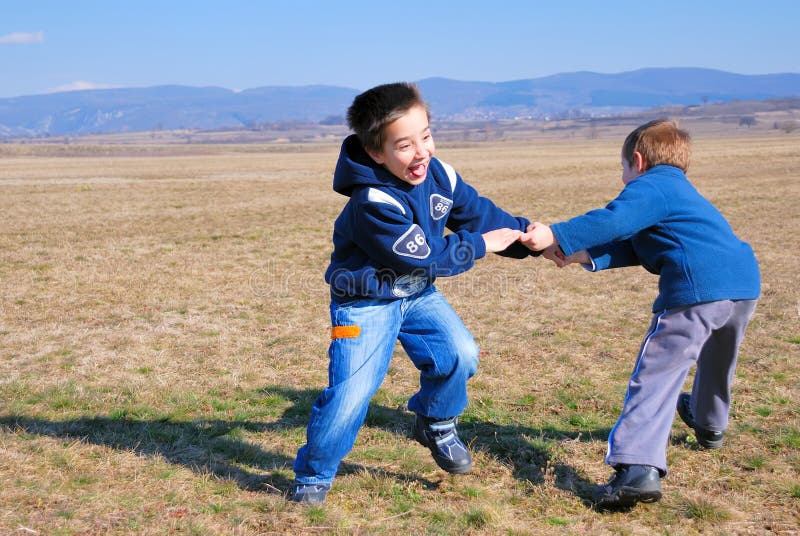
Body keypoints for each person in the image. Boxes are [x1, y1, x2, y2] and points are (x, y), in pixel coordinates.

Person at [290, 82, 535, 504]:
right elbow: (422, 257)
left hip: (417, 296)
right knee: (350, 395)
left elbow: (482, 216)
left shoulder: (441, 175)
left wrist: (531, 239)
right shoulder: (372, 200)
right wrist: (481, 245)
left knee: (460, 353)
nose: (421, 152)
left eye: (426, 136)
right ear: (375, 153)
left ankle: (434, 420)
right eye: (404, 145)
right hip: (364, 304)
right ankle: (313, 476)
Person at [520, 119, 760, 509]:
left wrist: (556, 235)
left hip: (697, 290)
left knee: (657, 374)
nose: (623, 177)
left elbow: (614, 220)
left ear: (637, 161)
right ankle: (709, 422)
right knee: (717, 362)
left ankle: (636, 468)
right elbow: (643, 245)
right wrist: (584, 255)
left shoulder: (653, 185)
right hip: (742, 284)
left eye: (623, 169)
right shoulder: (679, 191)